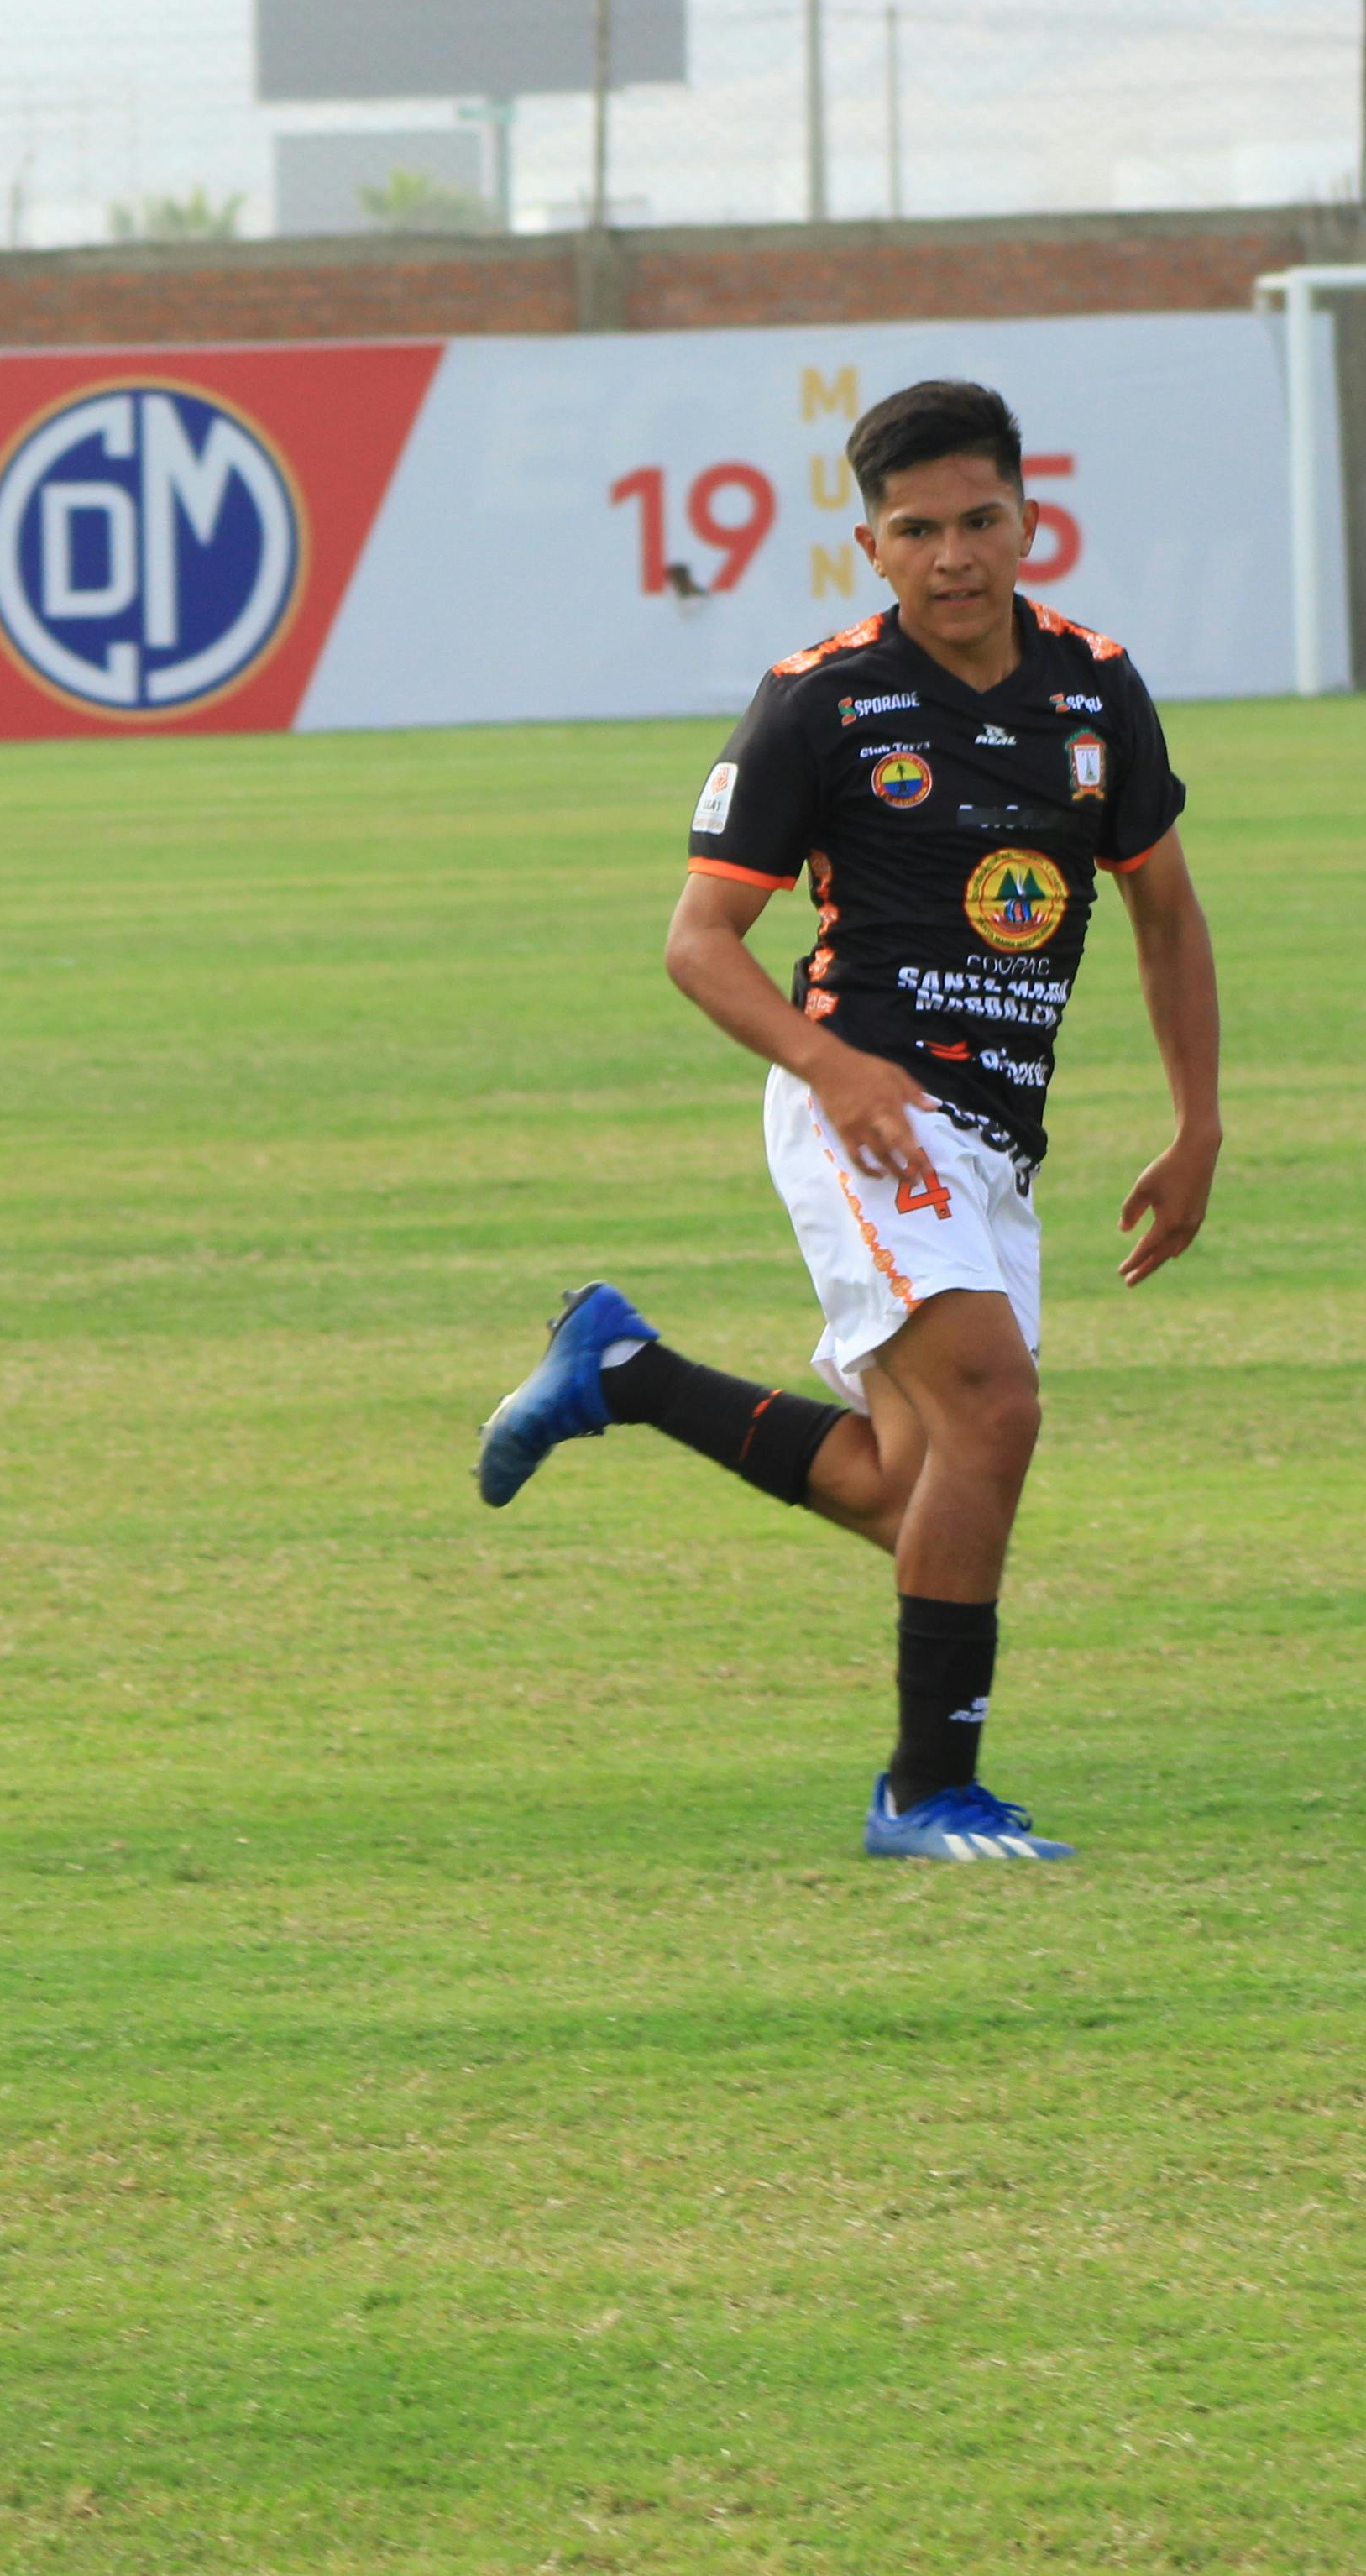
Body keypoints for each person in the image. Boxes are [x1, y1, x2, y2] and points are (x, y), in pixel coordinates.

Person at [475, 377, 1222, 1864]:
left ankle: (619, 1368)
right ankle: (923, 1794)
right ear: (867, 547)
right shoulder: (819, 700)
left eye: (977, 520)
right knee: (993, 1413)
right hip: (863, 1112)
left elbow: (1161, 909)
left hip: (990, 1135)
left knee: (909, 1489)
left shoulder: (1091, 689)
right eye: (915, 530)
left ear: (1024, 518)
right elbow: (697, 942)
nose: (951, 556)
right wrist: (830, 1070)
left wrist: (1195, 1122)